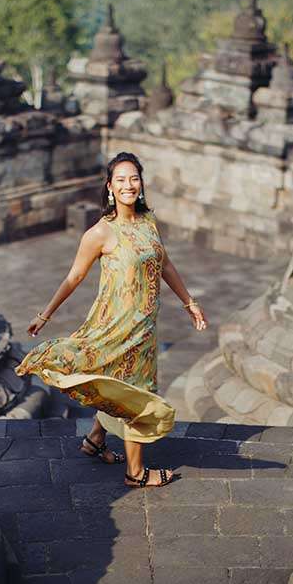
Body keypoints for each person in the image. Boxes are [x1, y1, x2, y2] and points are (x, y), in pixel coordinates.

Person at [16, 151, 207, 488]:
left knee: (115, 384)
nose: (128, 185)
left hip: (144, 330)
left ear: (141, 185)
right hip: (114, 327)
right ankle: (136, 473)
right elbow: (75, 276)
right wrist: (45, 315)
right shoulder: (101, 233)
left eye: (133, 178)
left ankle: (94, 440)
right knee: (136, 393)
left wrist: (189, 303)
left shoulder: (149, 224)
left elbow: (165, 265)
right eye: (120, 180)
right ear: (109, 187)